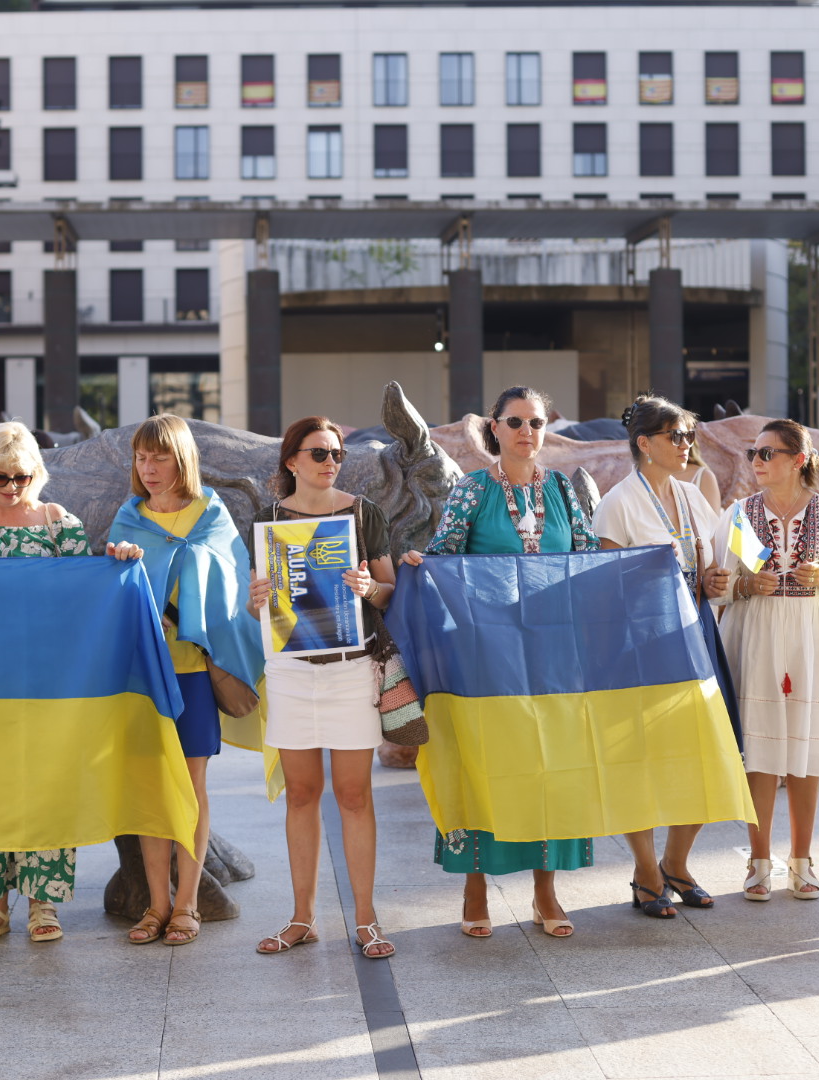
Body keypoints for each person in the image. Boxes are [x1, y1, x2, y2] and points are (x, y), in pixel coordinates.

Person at [399, 386, 598, 939]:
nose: (526, 432)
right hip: (487, 655)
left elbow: (586, 559)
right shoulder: (471, 490)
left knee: (549, 764)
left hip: (553, 657)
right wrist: (420, 565)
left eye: (536, 422)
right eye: (515, 422)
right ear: (495, 427)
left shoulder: (562, 489)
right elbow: (443, 558)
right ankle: (475, 887)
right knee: (484, 763)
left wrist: (654, 562)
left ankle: (545, 891)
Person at [0, 421, 141, 945]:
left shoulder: (57, 522)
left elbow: (83, 594)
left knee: (45, 784)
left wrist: (116, 563)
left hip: (46, 682)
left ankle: (42, 902)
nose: (10, 487)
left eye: (21, 477)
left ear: (36, 473)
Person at [109, 414, 262, 948]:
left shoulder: (211, 513)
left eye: (160, 458)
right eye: (141, 458)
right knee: (152, 787)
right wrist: (122, 566)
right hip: (143, 674)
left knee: (192, 787)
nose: (149, 469)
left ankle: (187, 904)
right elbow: (115, 595)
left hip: (194, 670)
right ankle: (155, 905)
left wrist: (186, 611)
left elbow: (232, 585)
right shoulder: (128, 519)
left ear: (182, 460)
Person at [247, 417, 397, 959]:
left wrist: (369, 587)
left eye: (336, 453)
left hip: (351, 668)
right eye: (318, 453)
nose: (330, 461)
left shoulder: (363, 513)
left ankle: (367, 920)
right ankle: (302, 918)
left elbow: (389, 590)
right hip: (291, 671)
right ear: (291, 461)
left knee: (354, 795)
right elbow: (259, 608)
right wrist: (256, 601)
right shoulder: (267, 521)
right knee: (302, 794)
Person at [706, 420, 819, 900]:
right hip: (755, 634)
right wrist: (745, 584)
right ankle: (758, 861)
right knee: (759, 750)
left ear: (798, 460)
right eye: (753, 452)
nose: (757, 461)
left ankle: (802, 859)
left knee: (805, 750)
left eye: (767, 453)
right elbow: (715, 582)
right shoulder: (740, 515)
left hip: (812, 638)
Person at [592, 393, 724, 918]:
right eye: (676, 436)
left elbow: (711, 565)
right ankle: (647, 871)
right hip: (641, 644)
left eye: (689, 435)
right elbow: (604, 585)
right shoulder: (618, 502)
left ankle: (677, 862)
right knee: (640, 760)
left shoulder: (692, 495)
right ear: (644, 443)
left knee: (707, 753)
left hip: (696, 634)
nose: (686, 444)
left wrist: (715, 580)